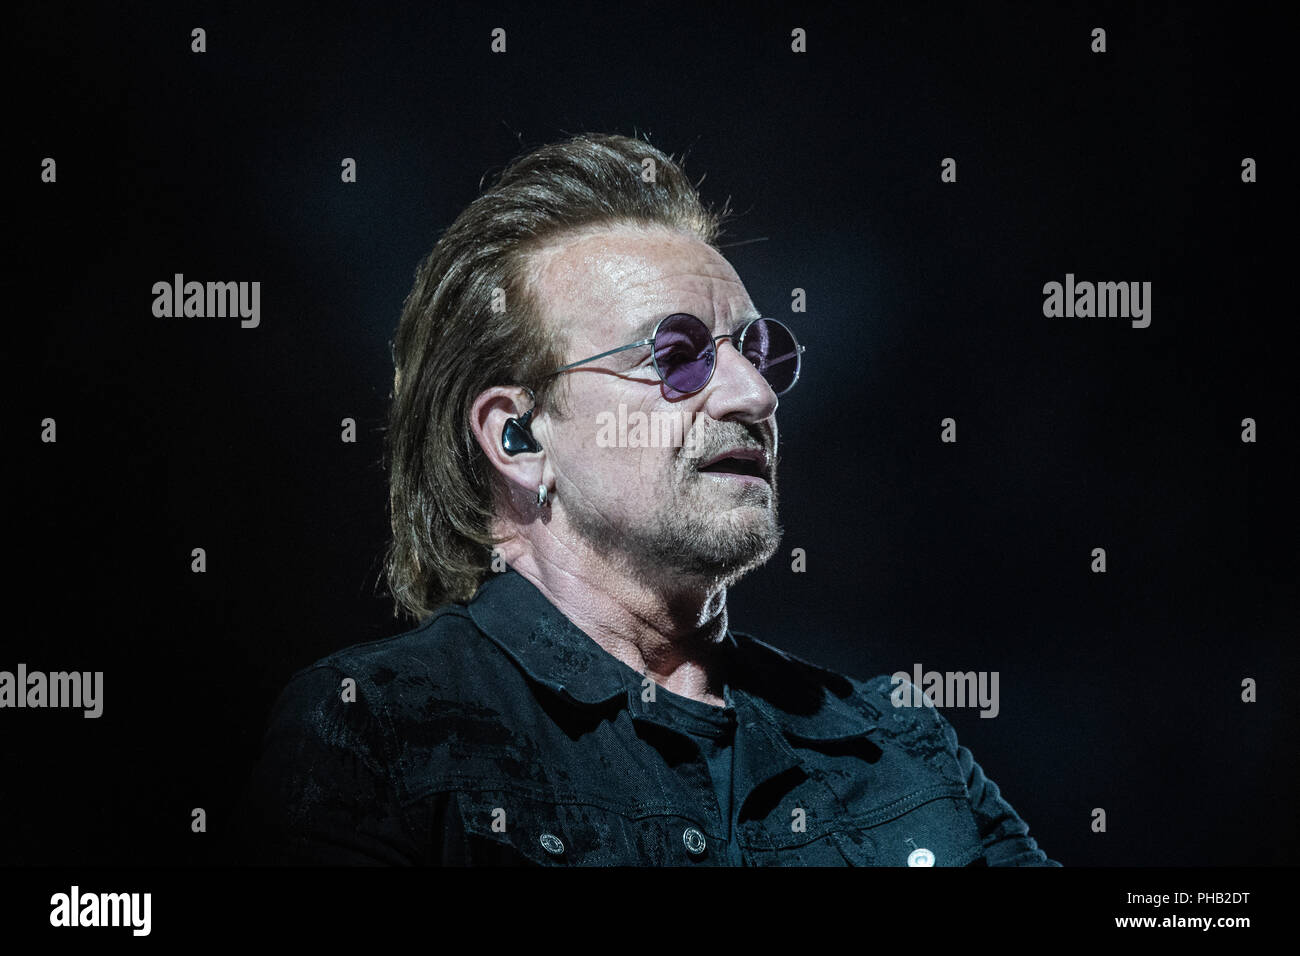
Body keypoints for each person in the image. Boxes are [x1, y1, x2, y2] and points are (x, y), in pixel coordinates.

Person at [234, 132, 1058, 866]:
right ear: (518, 437)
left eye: (759, 352)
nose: (753, 396)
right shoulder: (379, 733)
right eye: (676, 354)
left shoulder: (899, 751)